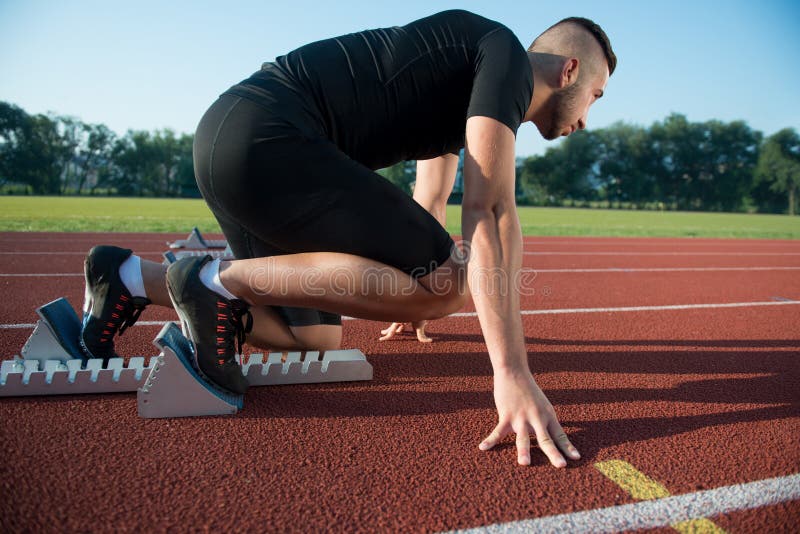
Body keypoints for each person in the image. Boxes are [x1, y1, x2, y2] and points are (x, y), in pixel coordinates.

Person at [80, 9, 615, 468]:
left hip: (229, 141)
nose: (587, 119)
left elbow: (431, 200)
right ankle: (211, 282)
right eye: (595, 95)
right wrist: (511, 372)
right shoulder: (507, 58)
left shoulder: (473, 82)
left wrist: (411, 296)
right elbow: (491, 214)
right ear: (568, 70)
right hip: (269, 139)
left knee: (311, 337)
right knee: (454, 283)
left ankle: (130, 278)